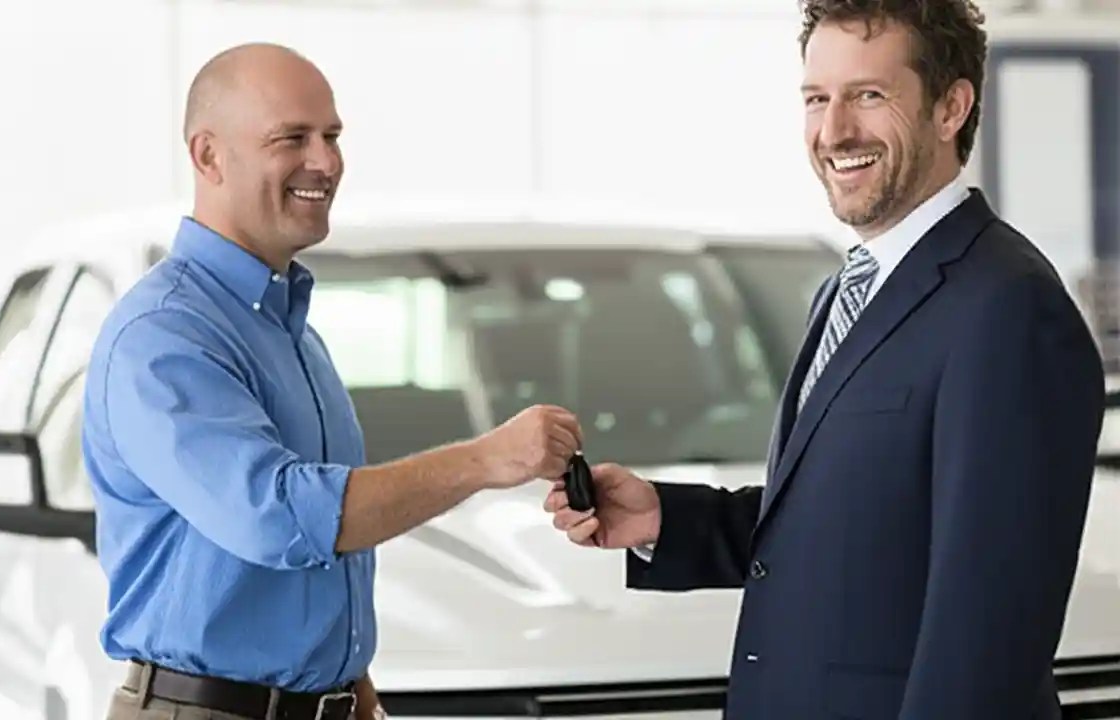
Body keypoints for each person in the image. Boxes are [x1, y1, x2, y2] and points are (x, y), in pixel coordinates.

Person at [544, 1, 1105, 718]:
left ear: (951, 107)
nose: (834, 131)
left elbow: (989, 627)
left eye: (869, 96)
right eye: (817, 99)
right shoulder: (848, 288)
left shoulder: (1008, 307)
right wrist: (669, 520)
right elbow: (857, 526)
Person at [83, 43, 584, 720]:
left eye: (332, 136)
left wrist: (348, 679)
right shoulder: (165, 336)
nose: (326, 162)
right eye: (292, 138)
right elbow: (281, 516)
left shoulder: (288, 328)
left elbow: (311, 562)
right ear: (208, 156)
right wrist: (488, 459)